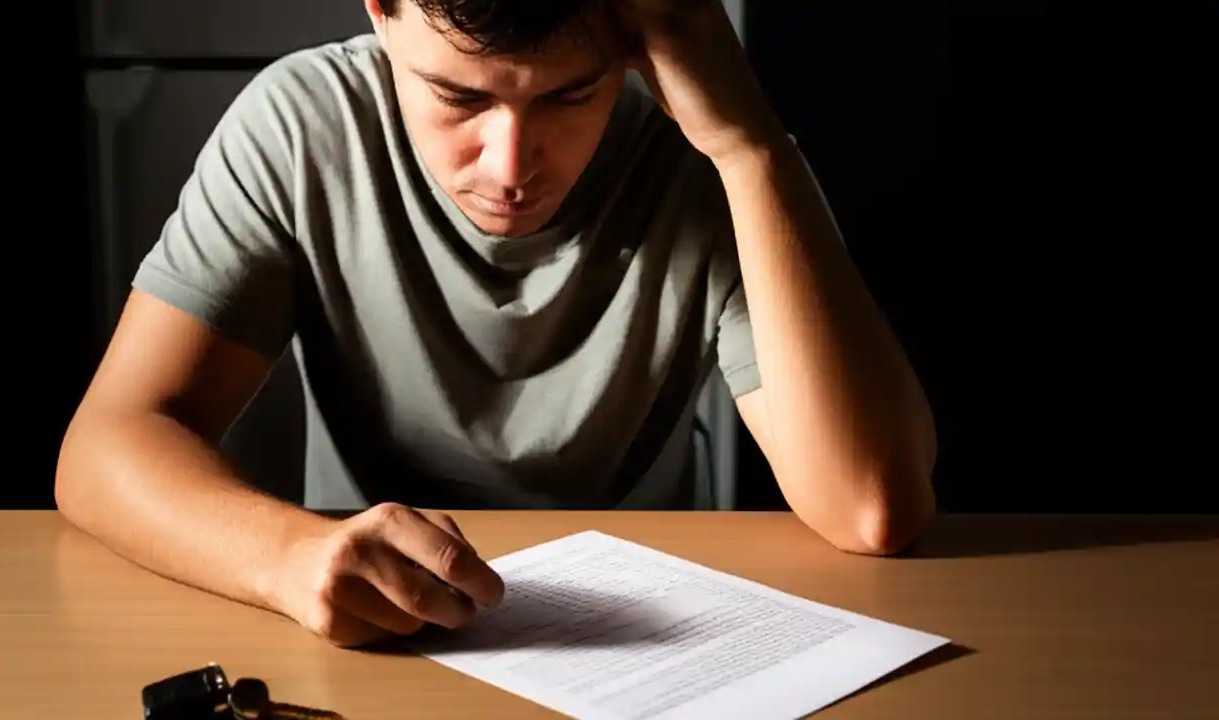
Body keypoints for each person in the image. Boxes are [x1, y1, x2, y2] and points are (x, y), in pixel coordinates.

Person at [55, 0, 937, 648]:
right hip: (374, 641)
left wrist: (750, 147)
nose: (511, 167)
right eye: (458, 97)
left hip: (650, 651)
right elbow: (106, 445)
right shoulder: (300, 127)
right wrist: (288, 556)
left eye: (568, 96)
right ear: (380, 13)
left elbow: (870, 509)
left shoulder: (704, 147)